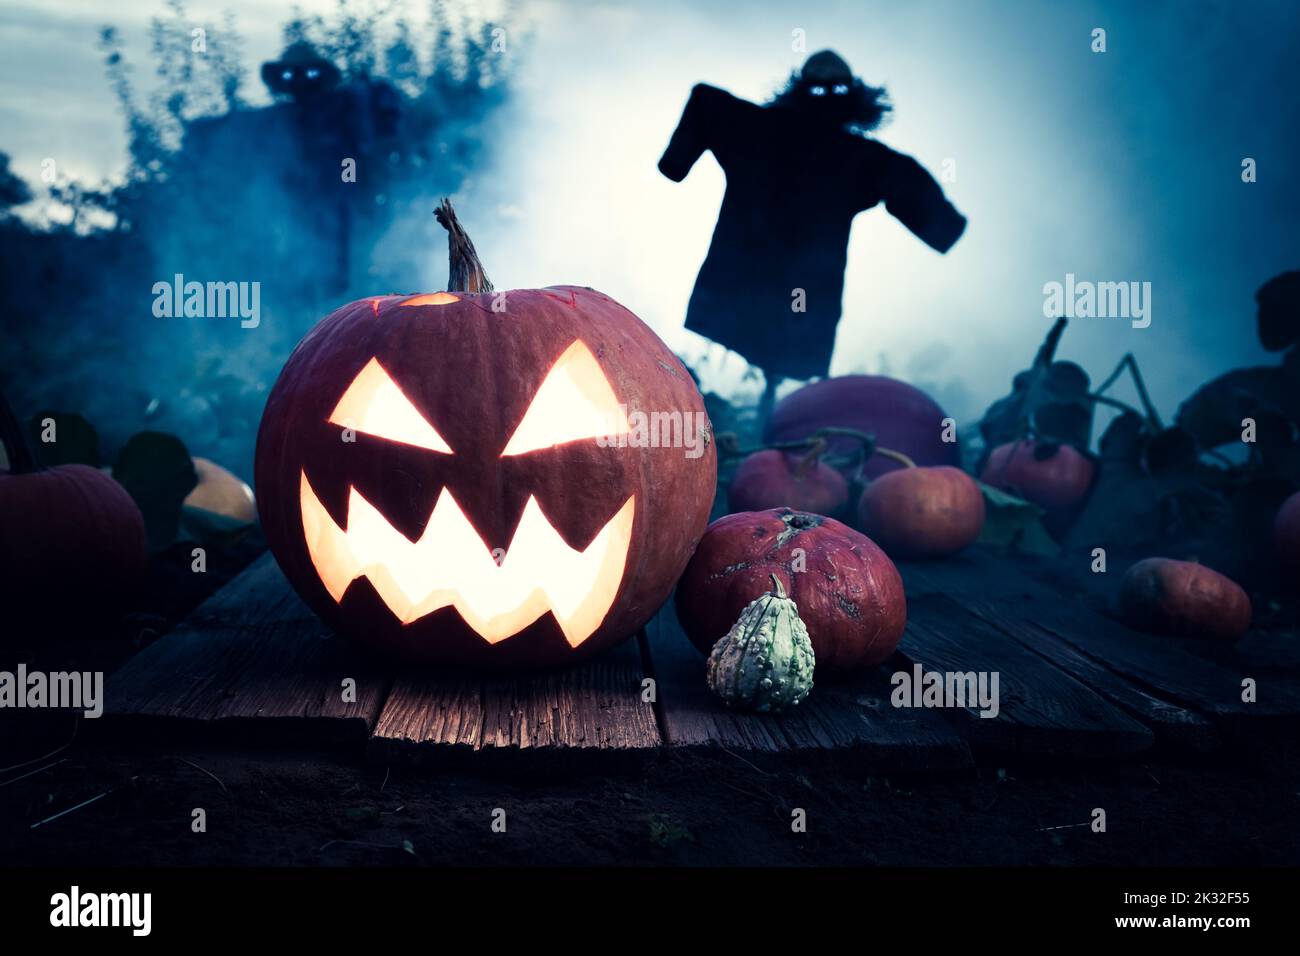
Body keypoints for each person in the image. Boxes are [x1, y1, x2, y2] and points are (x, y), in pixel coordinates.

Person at [659, 50, 967, 419]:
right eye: (818, 87)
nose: (825, 94)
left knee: (776, 395)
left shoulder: (857, 159)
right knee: (742, 392)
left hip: (782, 294)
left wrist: (942, 227)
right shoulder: (762, 131)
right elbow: (707, 101)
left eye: (834, 88)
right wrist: (676, 161)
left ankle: (760, 432)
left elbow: (706, 102)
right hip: (756, 287)